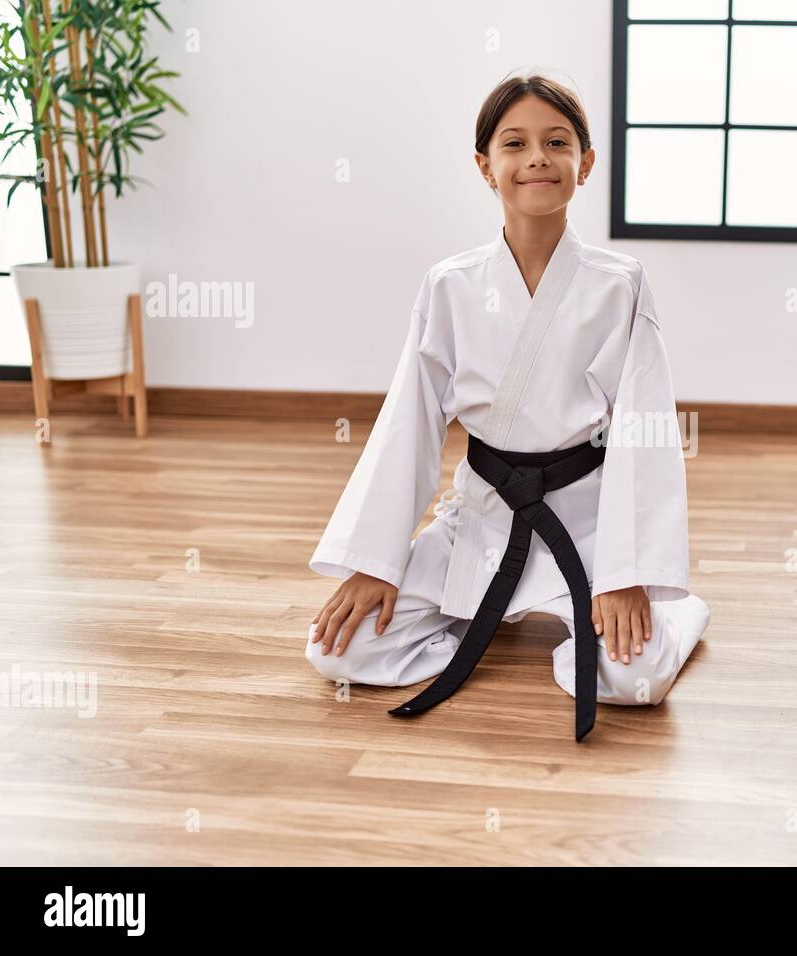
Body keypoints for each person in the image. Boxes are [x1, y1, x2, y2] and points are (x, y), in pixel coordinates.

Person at [304, 70, 709, 741]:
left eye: (556, 142)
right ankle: (479, 613)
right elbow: (410, 421)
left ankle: (678, 609)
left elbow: (643, 429)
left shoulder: (620, 284)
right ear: (485, 167)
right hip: (481, 518)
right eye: (514, 143)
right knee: (337, 651)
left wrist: (631, 571)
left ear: (585, 162)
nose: (537, 159)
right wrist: (374, 562)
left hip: (584, 522)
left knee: (634, 680)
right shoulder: (450, 285)